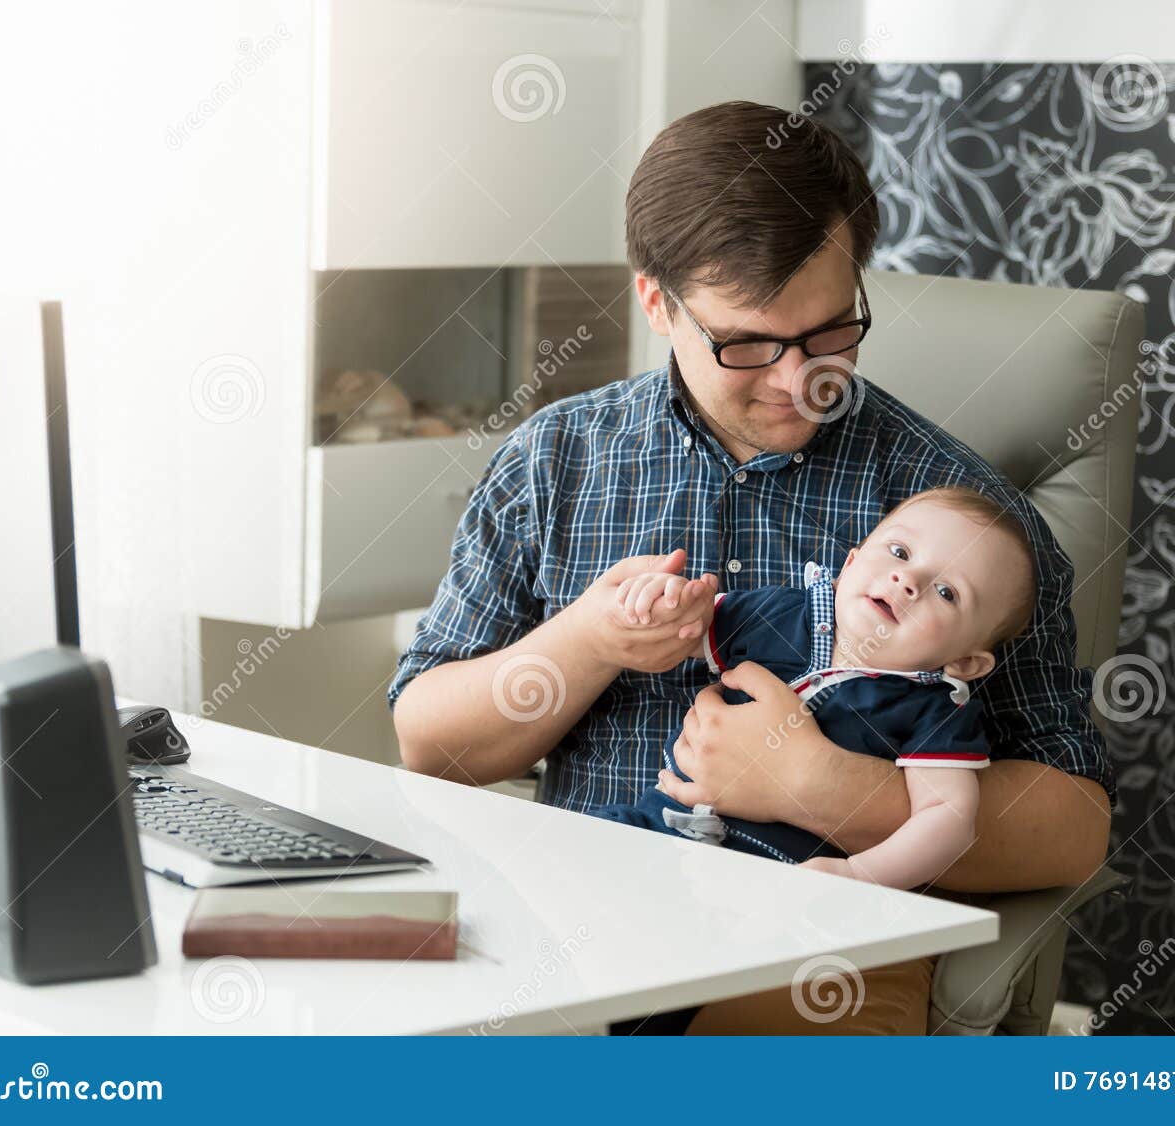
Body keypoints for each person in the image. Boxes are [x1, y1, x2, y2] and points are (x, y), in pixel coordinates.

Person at [391, 100, 1114, 1034]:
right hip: (575, 920)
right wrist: (590, 640)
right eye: (746, 344)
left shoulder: (960, 530)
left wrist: (817, 785)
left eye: (829, 333)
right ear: (656, 303)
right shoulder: (554, 461)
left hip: (816, 946)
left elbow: (1074, 828)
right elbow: (427, 746)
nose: (796, 380)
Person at [592, 485, 1037, 892]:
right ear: (850, 565)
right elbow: (686, 627)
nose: (909, 580)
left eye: (946, 592)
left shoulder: (933, 711)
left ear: (964, 662)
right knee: (570, 867)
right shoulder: (782, 614)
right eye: (899, 551)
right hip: (652, 827)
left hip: (769, 882)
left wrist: (858, 874)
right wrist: (663, 599)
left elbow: (949, 821)